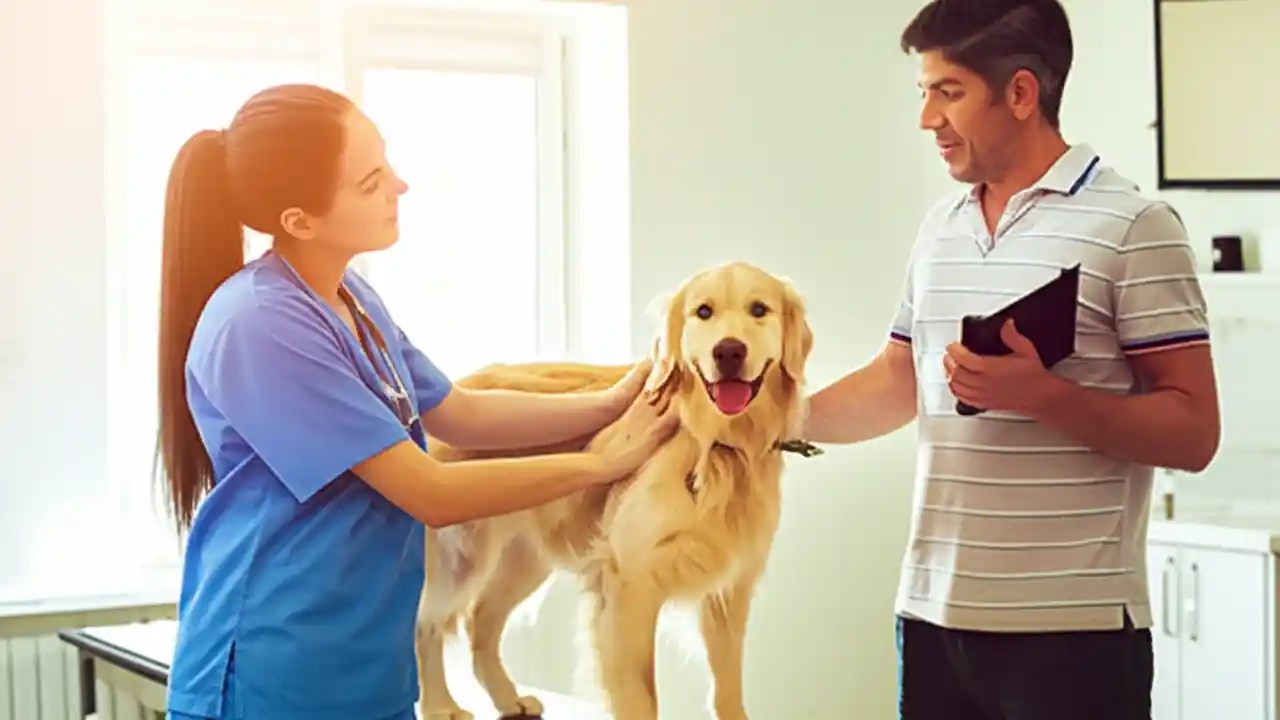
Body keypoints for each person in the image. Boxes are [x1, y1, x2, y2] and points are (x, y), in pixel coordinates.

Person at [155, 83, 678, 720]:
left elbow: (459, 412)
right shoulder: (262, 325)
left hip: (367, 663)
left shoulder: (350, 299)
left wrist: (612, 401)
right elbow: (430, 492)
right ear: (300, 220)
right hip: (277, 670)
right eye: (371, 181)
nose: (399, 186)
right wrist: (600, 467)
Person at [803, 1, 1221, 718]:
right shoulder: (943, 225)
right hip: (932, 619)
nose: (927, 118)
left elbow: (1194, 433)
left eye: (949, 91)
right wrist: (767, 422)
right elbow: (897, 382)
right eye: (923, 93)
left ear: (1022, 93)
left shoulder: (1135, 226)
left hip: (1073, 636)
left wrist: (1044, 396)